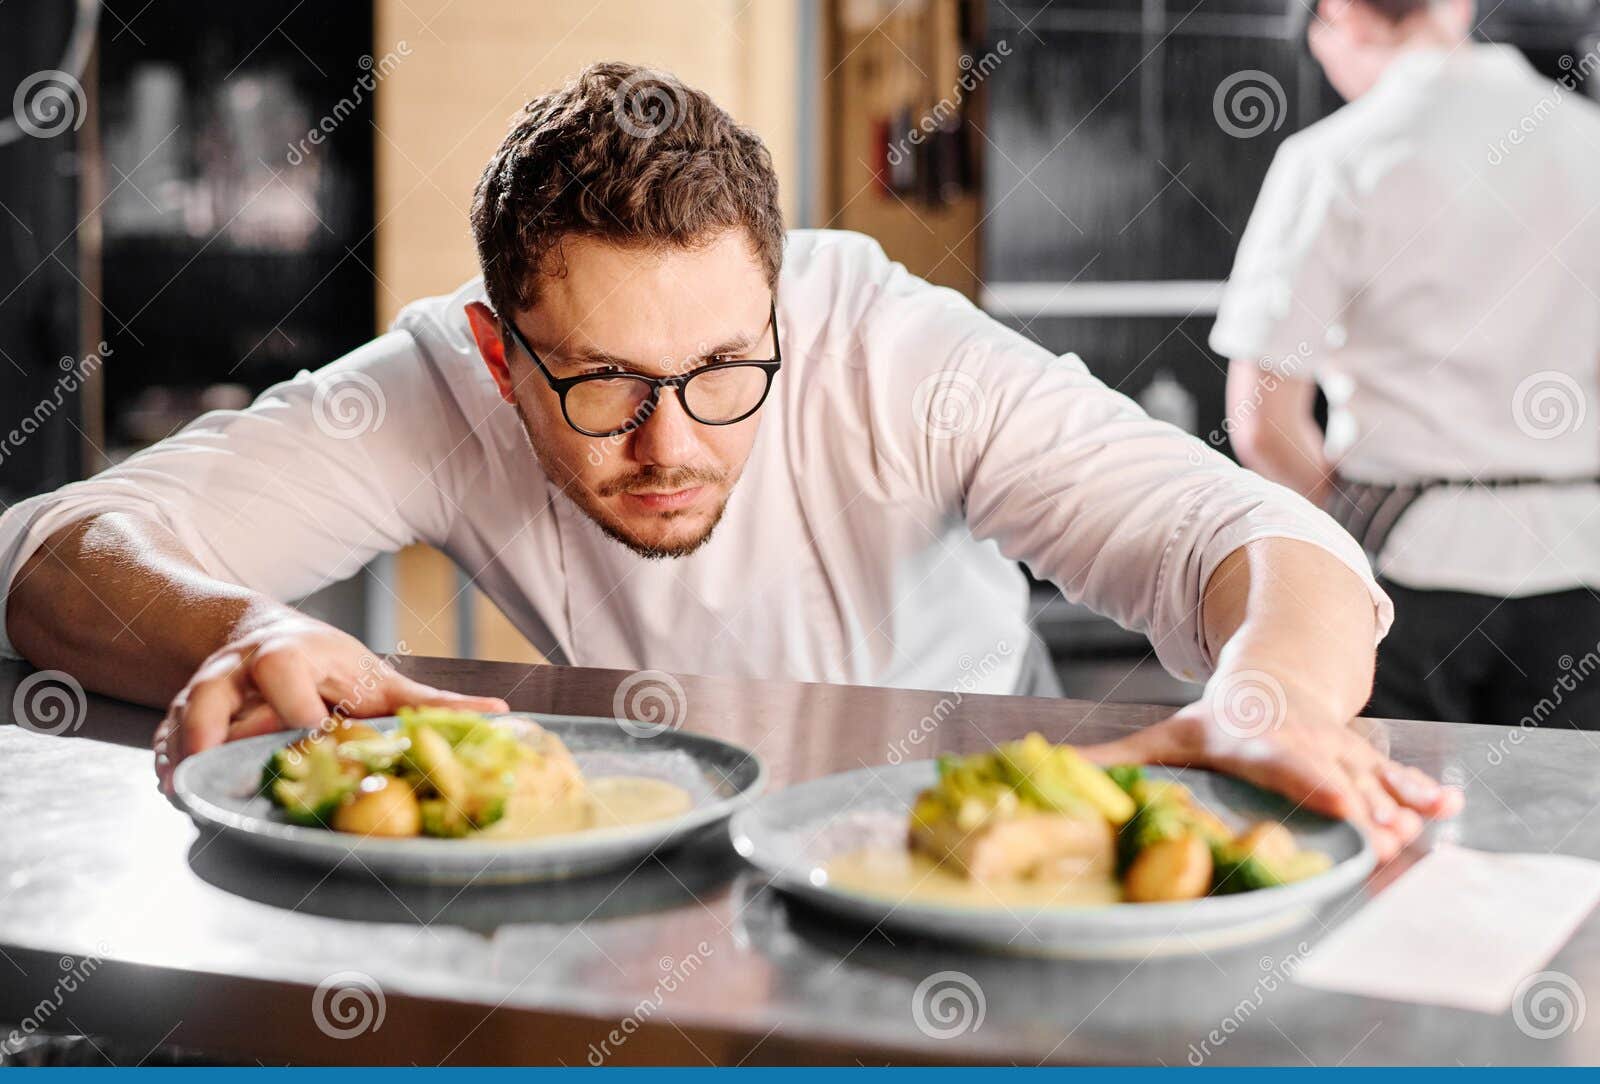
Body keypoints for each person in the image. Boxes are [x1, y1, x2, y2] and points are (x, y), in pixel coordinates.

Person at [0, 62, 1458, 857]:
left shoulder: (893, 347)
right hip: (654, 851)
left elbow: (1248, 536)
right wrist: (236, 627)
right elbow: (45, 545)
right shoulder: (444, 381)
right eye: (605, 384)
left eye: (722, 371)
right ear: (506, 355)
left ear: (775, 304)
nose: (673, 442)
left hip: (985, 855)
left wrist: (1269, 704)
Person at [1215, 0, 1600, 726]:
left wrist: (1355, 516)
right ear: (1460, 5)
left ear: (1341, 17)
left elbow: (1263, 421)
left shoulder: (1331, 158)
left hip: (1406, 581)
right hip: (1580, 573)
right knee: (1570, 832)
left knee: (1395, 823)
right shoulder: (1591, 145)